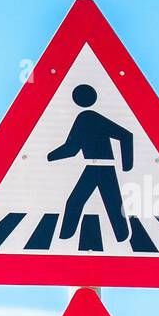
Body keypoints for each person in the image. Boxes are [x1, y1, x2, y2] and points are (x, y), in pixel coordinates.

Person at [46, 83, 133, 243]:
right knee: (106, 202)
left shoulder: (88, 118)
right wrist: (50, 156)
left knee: (81, 202)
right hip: (96, 167)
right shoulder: (86, 118)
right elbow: (72, 149)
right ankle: (122, 237)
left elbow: (126, 135)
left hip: (101, 168)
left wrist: (127, 165)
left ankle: (64, 238)